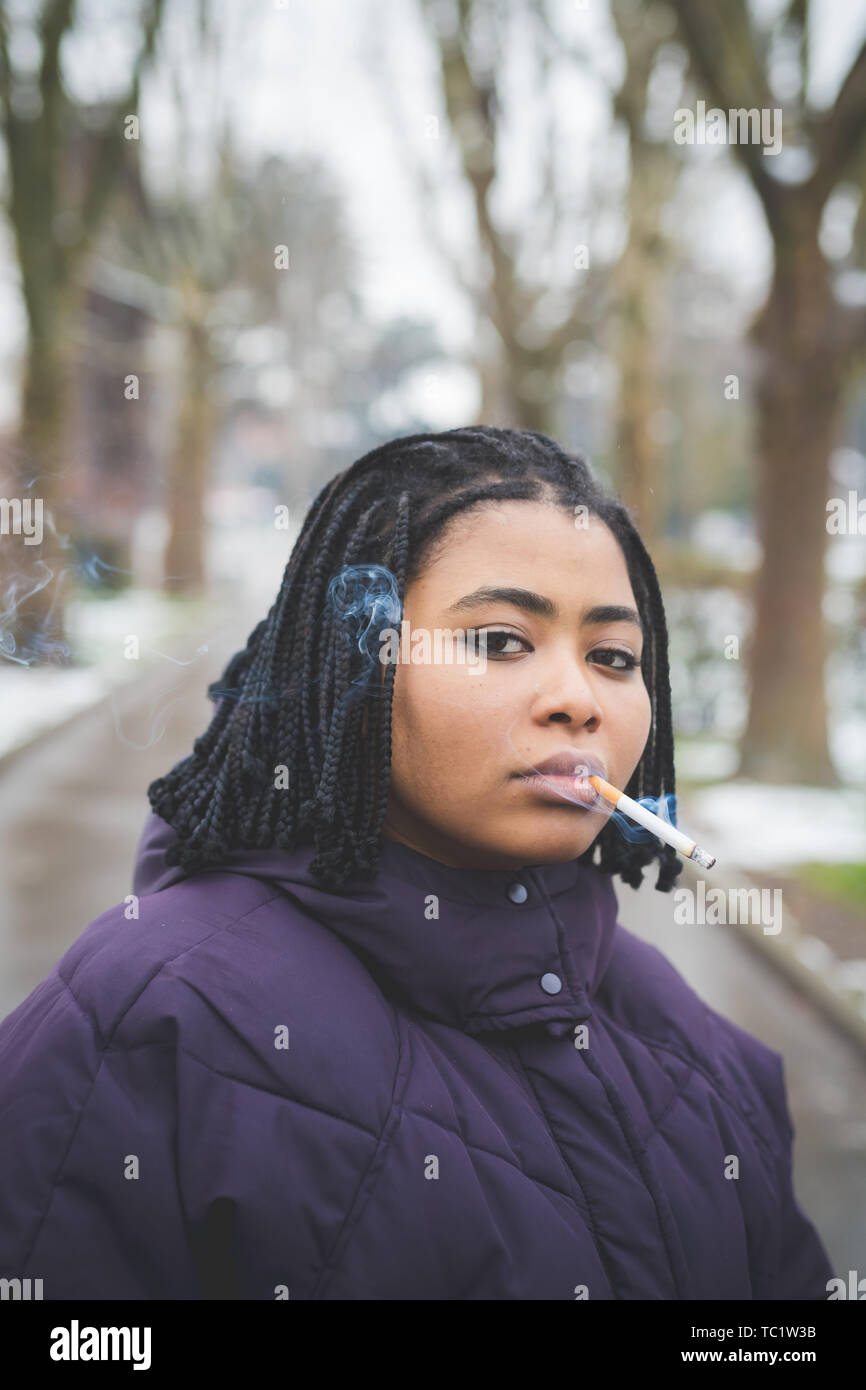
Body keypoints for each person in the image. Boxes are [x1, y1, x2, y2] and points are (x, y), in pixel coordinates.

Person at [0, 426, 834, 1299]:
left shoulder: (691, 1038)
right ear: (357, 661)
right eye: (503, 640)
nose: (577, 701)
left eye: (613, 657)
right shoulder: (145, 1019)